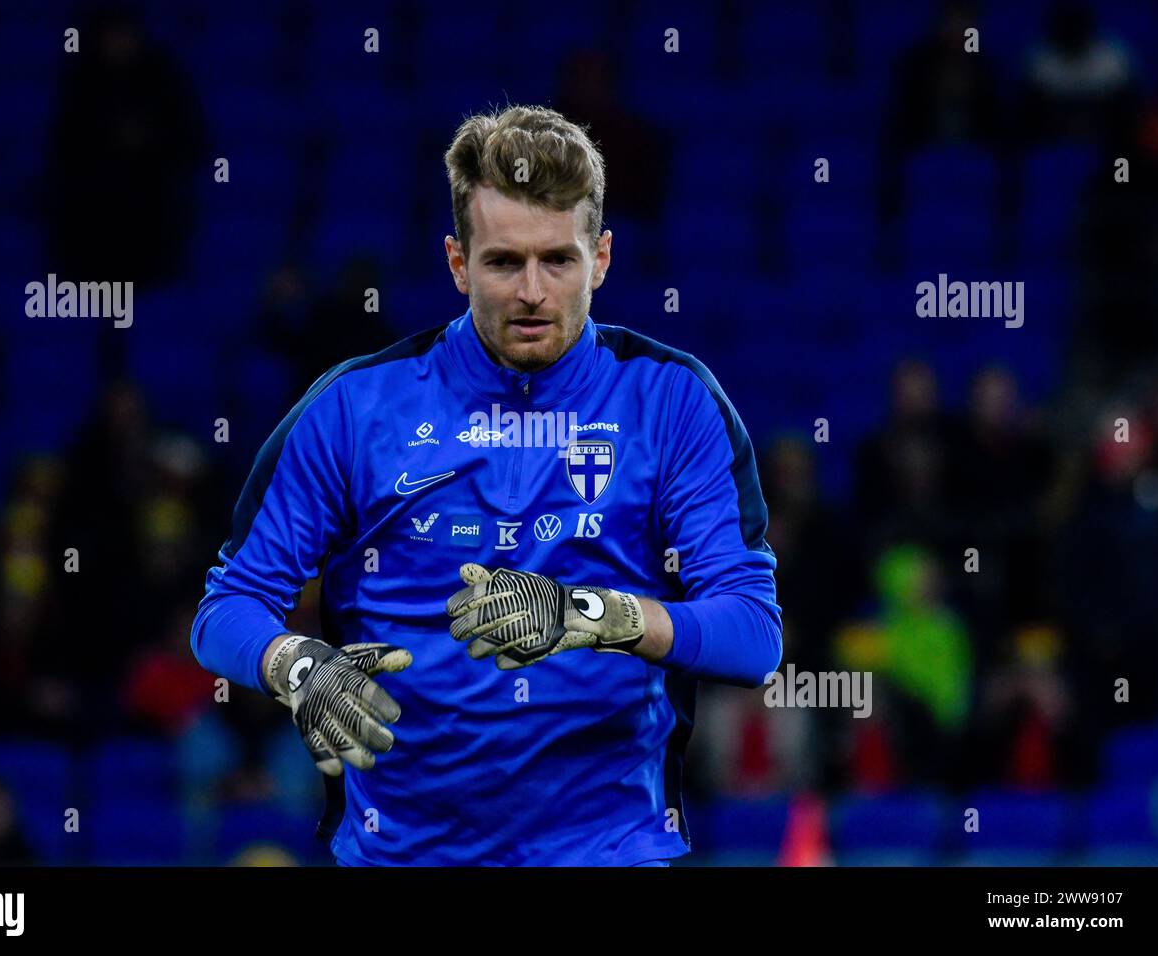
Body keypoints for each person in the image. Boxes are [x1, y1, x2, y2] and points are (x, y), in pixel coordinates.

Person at [191, 105, 783, 866]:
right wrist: (299, 668)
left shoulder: (673, 403)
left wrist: (593, 616)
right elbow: (226, 609)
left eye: (558, 261)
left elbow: (752, 636)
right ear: (457, 263)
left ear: (601, 258)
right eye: (504, 262)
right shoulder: (352, 410)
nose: (533, 292)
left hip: (609, 853)